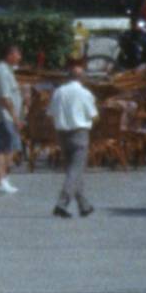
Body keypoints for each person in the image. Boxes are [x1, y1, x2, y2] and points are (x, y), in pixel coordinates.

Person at [44, 55, 100, 220]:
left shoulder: (58, 92)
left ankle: (84, 205)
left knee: (72, 170)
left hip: (62, 133)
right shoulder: (85, 93)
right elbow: (93, 115)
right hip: (79, 132)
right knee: (75, 170)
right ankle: (62, 203)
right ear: (81, 77)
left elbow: (51, 114)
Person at [0, 44, 28, 198]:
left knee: (8, 146)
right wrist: (16, 118)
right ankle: (1, 179)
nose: (19, 58)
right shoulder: (2, 72)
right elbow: (4, 98)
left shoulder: (6, 71)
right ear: (9, 55)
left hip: (6, 116)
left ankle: (0, 178)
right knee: (6, 147)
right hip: (4, 116)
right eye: (17, 55)